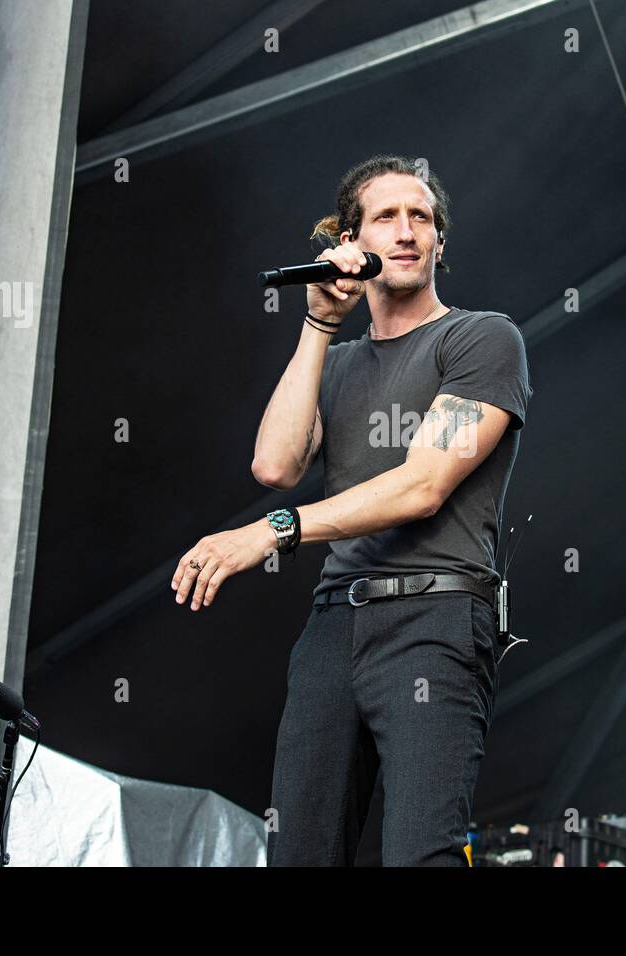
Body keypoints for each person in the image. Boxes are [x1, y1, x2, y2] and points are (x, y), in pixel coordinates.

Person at [170, 154, 531, 866]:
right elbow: (274, 464)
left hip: (435, 618)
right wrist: (317, 324)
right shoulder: (335, 365)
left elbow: (422, 484)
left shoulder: (482, 339)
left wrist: (272, 532)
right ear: (350, 240)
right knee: (298, 852)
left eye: (421, 217)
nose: (406, 232)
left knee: (420, 853)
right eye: (386, 217)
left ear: (439, 241)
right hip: (335, 623)